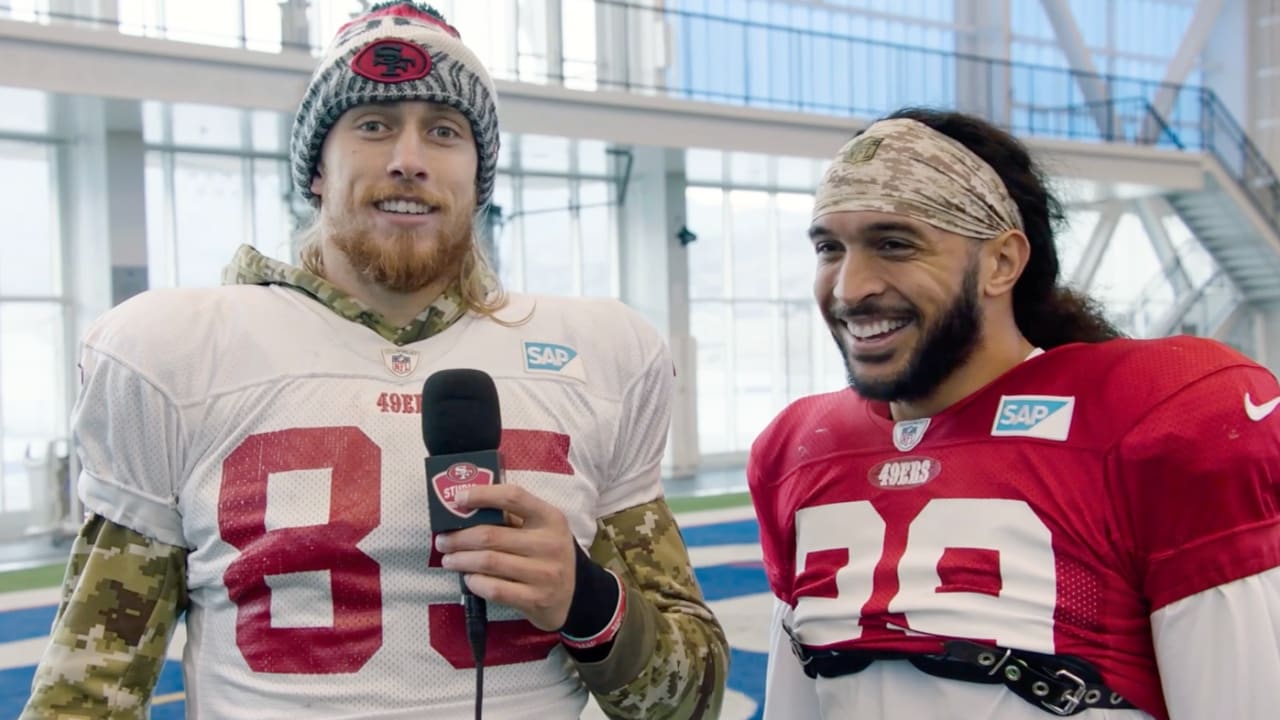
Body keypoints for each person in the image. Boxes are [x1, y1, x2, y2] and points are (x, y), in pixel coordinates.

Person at [22, 3, 727, 718]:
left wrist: (586, 600)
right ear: (317, 169)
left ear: (478, 176)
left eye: (444, 132)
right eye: (373, 125)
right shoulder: (173, 351)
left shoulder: (603, 357)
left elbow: (689, 701)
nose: (409, 159)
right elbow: (86, 691)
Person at [748, 108, 1280, 719]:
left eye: (893, 244)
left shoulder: (1153, 421)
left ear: (1001, 262)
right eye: (829, 248)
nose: (849, 286)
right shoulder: (802, 448)